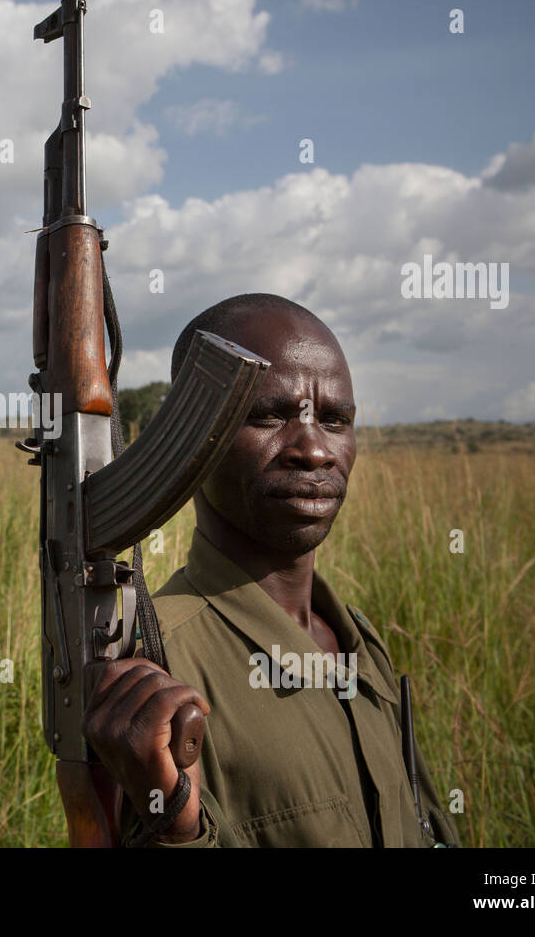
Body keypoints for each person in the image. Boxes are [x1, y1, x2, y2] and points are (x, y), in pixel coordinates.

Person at [83, 293, 461, 847]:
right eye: (266, 415)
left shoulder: (357, 639)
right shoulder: (154, 657)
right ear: (191, 438)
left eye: (336, 420)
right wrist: (180, 829)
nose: (313, 450)